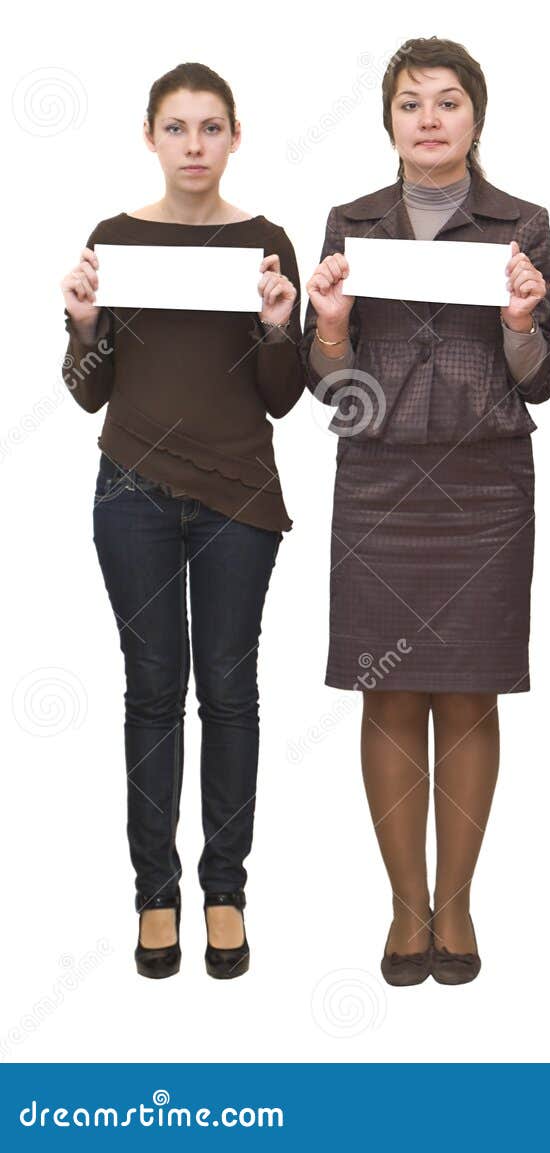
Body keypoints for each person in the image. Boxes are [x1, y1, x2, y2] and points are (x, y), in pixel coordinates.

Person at [301, 37, 550, 987]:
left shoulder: (520, 223)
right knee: (390, 692)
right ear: (390, 122)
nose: (430, 119)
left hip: (486, 484)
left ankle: (457, 902)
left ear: (476, 120)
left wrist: (524, 323)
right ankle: (405, 906)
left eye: (448, 103)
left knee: (469, 690)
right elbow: (326, 381)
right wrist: (328, 327)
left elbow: (543, 384)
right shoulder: (350, 222)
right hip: (377, 481)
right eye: (412, 104)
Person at [59, 62, 302, 980]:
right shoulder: (114, 239)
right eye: (176, 128)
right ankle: (154, 892)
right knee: (153, 690)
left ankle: (226, 888)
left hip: (238, 494)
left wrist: (282, 325)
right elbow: (88, 396)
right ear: (151, 137)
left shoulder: (264, 239)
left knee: (229, 692)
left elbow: (281, 398)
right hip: (132, 491)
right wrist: (83, 324)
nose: (194, 145)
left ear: (235, 136)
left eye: (210, 128)